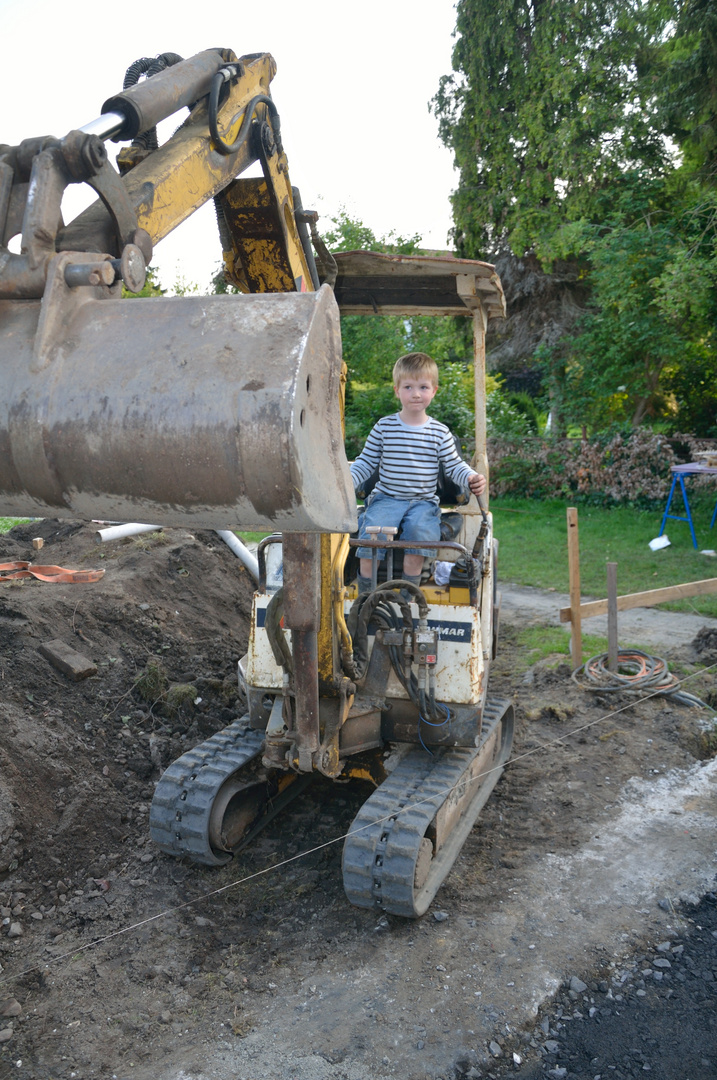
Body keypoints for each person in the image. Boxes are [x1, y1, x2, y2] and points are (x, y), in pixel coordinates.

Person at [350, 352, 486, 594]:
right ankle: (365, 597)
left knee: (419, 534)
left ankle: (408, 597)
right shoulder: (384, 427)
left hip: (423, 502)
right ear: (397, 390)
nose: (415, 393)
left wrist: (470, 476)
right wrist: (345, 482)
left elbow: (454, 465)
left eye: (423, 387)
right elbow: (365, 463)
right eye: (408, 387)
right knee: (372, 535)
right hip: (387, 498)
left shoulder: (439, 432)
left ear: (434, 390)